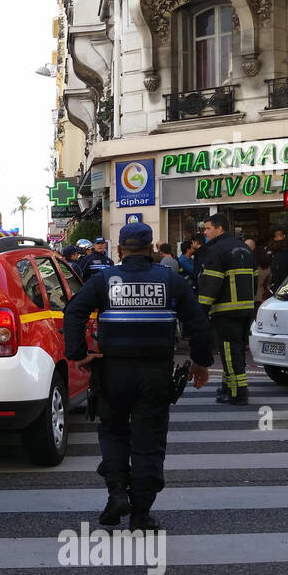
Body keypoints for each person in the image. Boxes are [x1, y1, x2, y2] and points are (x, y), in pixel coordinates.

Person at [64, 222, 213, 531]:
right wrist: (200, 363)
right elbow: (197, 324)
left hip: (112, 373)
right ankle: (141, 513)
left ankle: (118, 492)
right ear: (152, 251)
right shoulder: (170, 281)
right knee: (148, 442)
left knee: (114, 432)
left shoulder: (104, 280)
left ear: (120, 250)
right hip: (155, 375)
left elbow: (74, 312)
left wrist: (80, 354)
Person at [197, 213, 257, 405]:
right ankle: (228, 386)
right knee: (236, 351)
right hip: (246, 309)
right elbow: (254, 278)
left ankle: (236, 393)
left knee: (229, 352)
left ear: (219, 228)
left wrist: (201, 310)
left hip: (226, 310)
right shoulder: (245, 249)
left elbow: (211, 284)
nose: (205, 233)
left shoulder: (216, 250)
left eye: (207, 229)